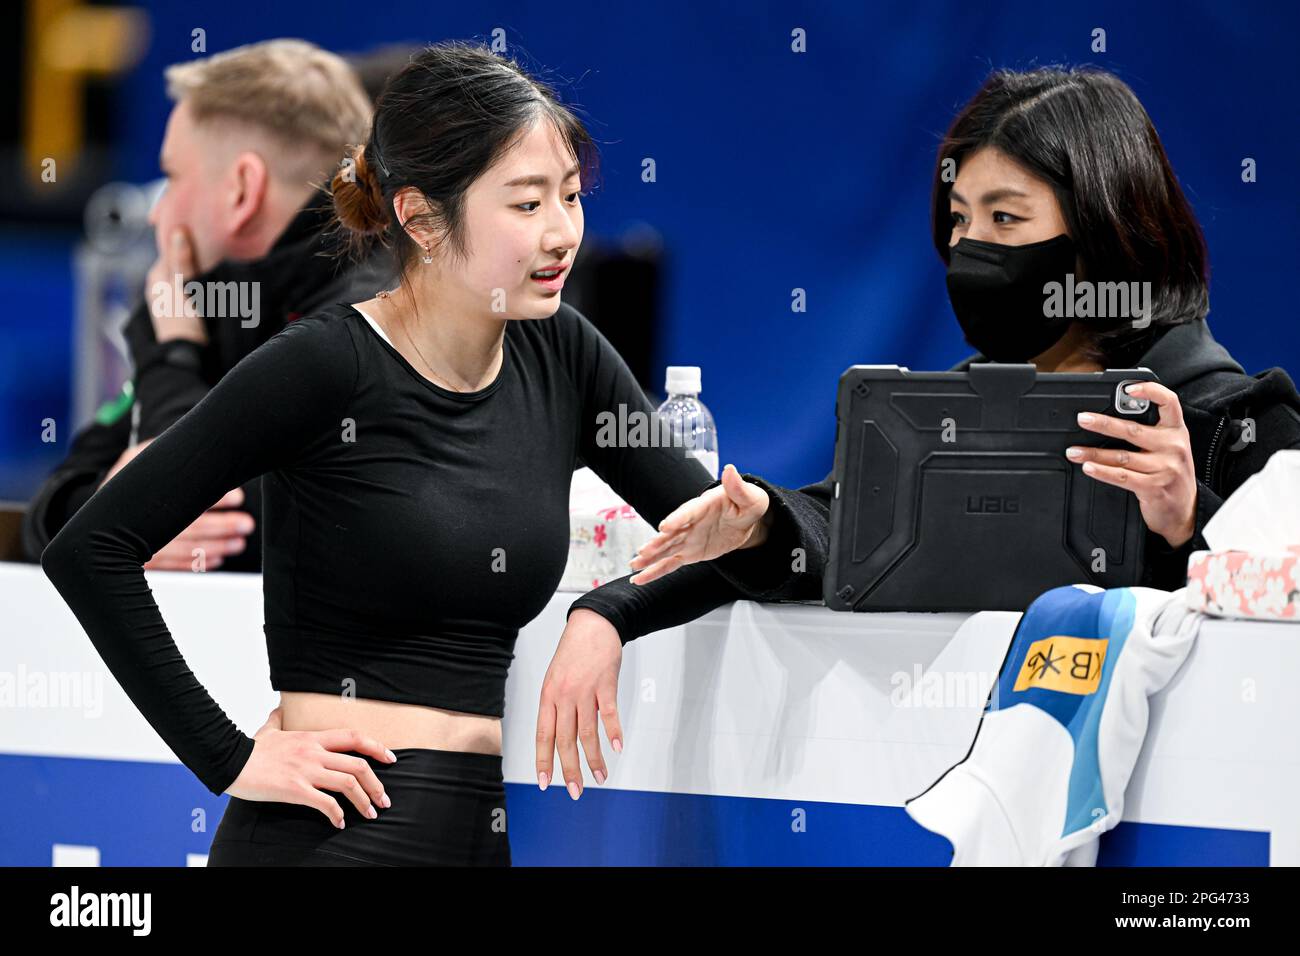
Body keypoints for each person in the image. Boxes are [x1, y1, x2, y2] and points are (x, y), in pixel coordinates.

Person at [39, 40, 826, 867]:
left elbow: (711, 542)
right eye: (526, 205)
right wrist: (228, 757)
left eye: (569, 196)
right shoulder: (322, 365)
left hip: (477, 836)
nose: (563, 233)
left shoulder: (565, 354)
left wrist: (611, 611)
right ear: (418, 217)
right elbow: (91, 548)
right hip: (328, 839)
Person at [537, 64, 1300, 796]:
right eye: (960, 219)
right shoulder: (949, 420)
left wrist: (1191, 522)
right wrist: (617, 606)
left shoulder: (1244, 429)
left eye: (1006, 217)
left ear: (1105, 231)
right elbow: (840, 534)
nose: (971, 249)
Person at [22, 38, 388, 572]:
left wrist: (172, 357)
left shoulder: (378, 313)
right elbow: (48, 510)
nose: (157, 214)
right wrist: (107, 510)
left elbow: (245, 525)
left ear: (242, 188)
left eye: (172, 178)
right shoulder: (201, 299)